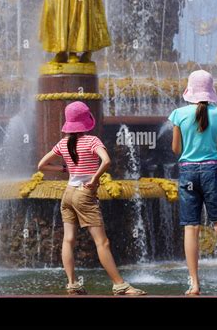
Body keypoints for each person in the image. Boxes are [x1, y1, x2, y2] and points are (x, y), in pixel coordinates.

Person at [38, 101, 146, 296]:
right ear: (86, 122)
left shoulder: (63, 143)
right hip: (84, 194)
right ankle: (119, 284)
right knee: (102, 242)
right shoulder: (92, 141)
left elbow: (42, 165)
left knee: (68, 239)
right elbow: (106, 161)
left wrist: (64, 169)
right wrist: (95, 178)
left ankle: (72, 284)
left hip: (68, 193)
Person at [168, 70, 217, 296]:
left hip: (188, 173)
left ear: (190, 90)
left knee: (191, 227)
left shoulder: (178, 114)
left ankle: (195, 285)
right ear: (211, 91)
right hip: (212, 171)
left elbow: (176, 149)